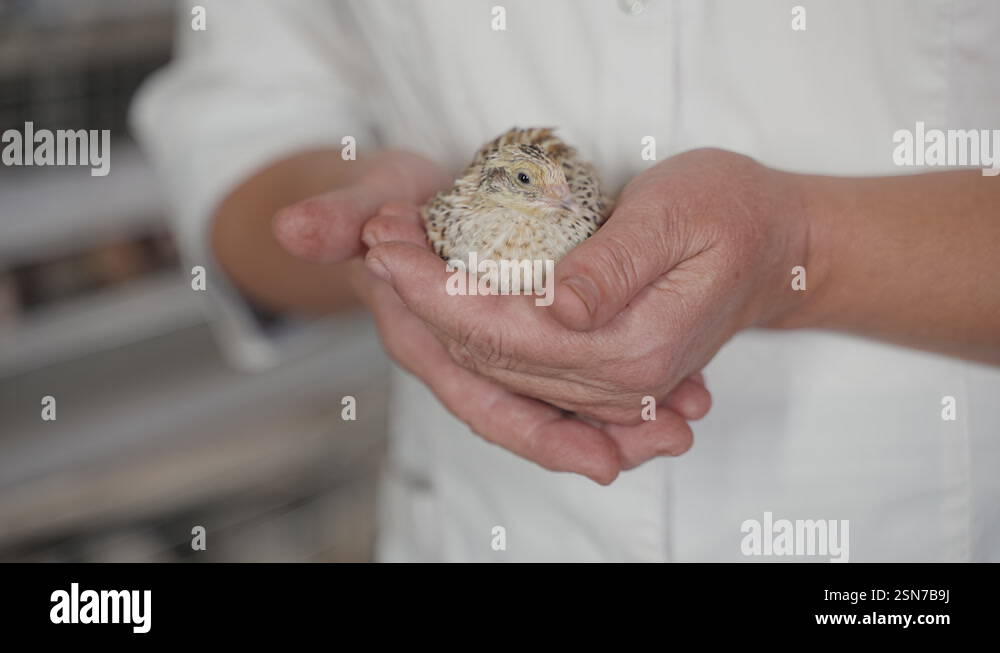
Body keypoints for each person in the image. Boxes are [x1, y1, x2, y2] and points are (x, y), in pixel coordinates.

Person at [132, 0, 1000, 562]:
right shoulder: (460, 213)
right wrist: (363, 240)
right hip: (482, 527)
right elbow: (242, 118)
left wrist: (804, 252)